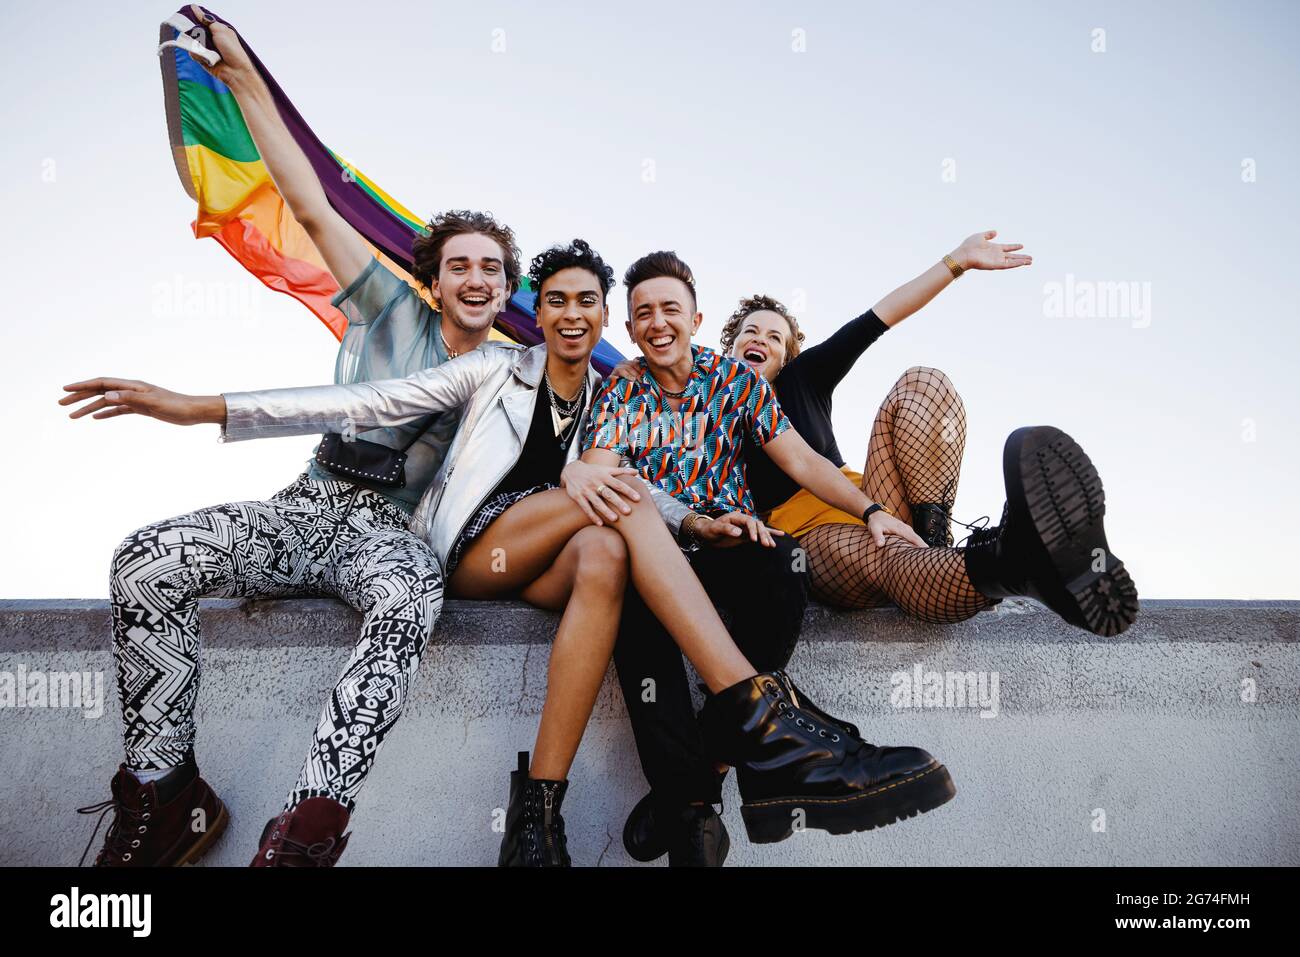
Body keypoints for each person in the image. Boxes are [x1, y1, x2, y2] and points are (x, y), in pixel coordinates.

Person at [63, 241, 958, 867]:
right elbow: (376, 401)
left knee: (611, 552)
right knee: (615, 505)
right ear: (541, 311)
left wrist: (711, 520)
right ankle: (765, 721)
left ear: (613, 316)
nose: (577, 313)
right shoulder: (498, 369)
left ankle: (536, 819)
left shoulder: (618, 393)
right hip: (473, 544)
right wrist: (197, 407)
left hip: (561, 556)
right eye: (559, 299)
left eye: (590, 302)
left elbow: (632, 482)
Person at [65, 17, 522, 868]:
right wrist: (245, 79)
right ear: (435, 274)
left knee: (410, 600)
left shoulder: (517, 372)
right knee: (146, 558)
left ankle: (308, 826)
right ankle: (167, 794)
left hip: (396, 537)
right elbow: (308, 195)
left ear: (506, 288)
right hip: (307, 508)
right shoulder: (388, 304)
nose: (476, 278)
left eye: (492, 268)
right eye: (460, 263)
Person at [586, 251, 948, 866]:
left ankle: (690, 783)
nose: (657, 321)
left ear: (695, 320)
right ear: (630, 329)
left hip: (733, 542)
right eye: (643, 312)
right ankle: (698, 812)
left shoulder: (738, 384)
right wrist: (692, 519)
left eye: (670, 308)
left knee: (785, 565)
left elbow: (804, 462)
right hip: (659, 547)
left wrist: (871, 511)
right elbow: (601, 476)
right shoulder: (622, 388)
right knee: (637, 618)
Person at [711, 230, 1139, 637]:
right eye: (750, 332)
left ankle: (934, 538)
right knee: (889, 559)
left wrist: (958, 261)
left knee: (922, 382)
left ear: (787, 355)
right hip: (806, 538)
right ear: (728, 347)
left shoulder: (802, 378)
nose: (760, 340)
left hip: (872, 502)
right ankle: (1011, 565)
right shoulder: (703, 405)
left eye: (774, 336)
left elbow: (879, 316)